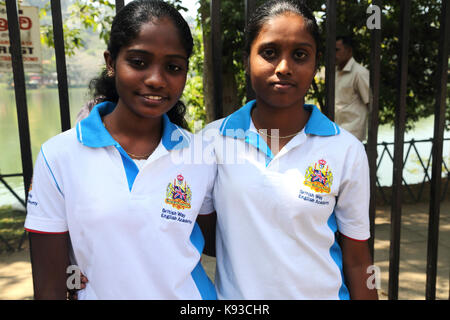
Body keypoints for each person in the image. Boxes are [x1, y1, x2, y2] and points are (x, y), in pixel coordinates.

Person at [24, 0, 216, 300]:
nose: (155, 79)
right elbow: (49, 286)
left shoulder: (201, 154)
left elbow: (219, 240)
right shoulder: (59, 156)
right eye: (139, 62)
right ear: (111, 62)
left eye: (173, 67)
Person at [199, 0, 378, 300]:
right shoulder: (212, 141)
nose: (284, 67)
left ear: (315, 64)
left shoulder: (345, 149)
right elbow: (204, 235)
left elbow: (359, 259)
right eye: (269, 53)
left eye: (300, 55)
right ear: (247, 60)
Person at [334, 35, 370, 142]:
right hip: (336, 133)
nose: (334, 54)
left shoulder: (359, 73)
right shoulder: (335, 73)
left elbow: (371, 104)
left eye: (337, 50)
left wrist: (372, 139)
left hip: (353, 135)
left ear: (349, 50)